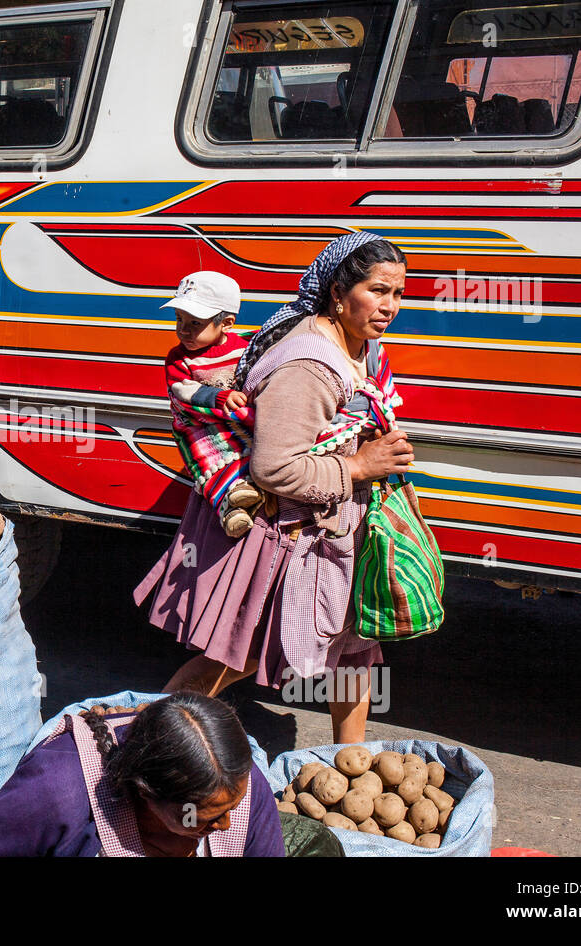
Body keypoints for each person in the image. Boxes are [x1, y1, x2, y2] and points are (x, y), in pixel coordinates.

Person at [135, 233, 414, 744]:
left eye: (398, 293)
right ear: (337, 290)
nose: (389, 306)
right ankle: (147, 743)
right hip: (286, 535)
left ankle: (349, 760)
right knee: (238, 654)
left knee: (352, 648)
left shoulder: (364, 350)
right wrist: (359, 466)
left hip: (335, 529)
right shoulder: (308, 364)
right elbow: (273, 469)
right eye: (378, 291)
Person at [0, 692, 286, 857]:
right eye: (206, 819)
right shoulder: (57, 791)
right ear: (146, 793)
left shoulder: (239, 781)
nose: (226, 824)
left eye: (231, 809)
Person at [161, 271, 266, 538]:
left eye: (195, 323)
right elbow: (182, 391)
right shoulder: (178, 358)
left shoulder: (245, 348)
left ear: (227, 323)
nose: (183, 330)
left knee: (251, 451)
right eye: (179, 319)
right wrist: (218, 398)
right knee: (209, 461)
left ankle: (245, 491)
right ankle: (230, 511)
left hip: (238, 421)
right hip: (201, 426)